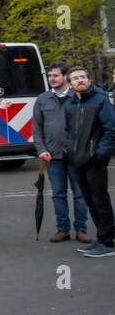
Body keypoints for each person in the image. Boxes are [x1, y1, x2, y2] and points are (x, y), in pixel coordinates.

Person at [65, 66, 115, 258]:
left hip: (95, 160)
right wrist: (69, 150)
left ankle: (107, 241)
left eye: (83, 77)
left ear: (89, 79)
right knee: (90, 200)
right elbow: (68, 131)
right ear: (70, 83)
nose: (80, 80)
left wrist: (101, 154)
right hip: (77, 160)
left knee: (100, 200)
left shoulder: (100, 100)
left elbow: (111, 129)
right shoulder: (70, 104)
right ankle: (103, 237)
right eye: (76, 78)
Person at [34, 63, 87, 242]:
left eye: (55, 75)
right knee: (58, 193)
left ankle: (81, 229)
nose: (52, 79)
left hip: (77, 155)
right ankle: (62, 229)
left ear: (65, 77)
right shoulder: (43, 99)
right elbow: (37, 128)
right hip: (52, 155)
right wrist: (41, 150)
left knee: (80, 193)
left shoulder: (78, 97)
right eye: (49, 75)